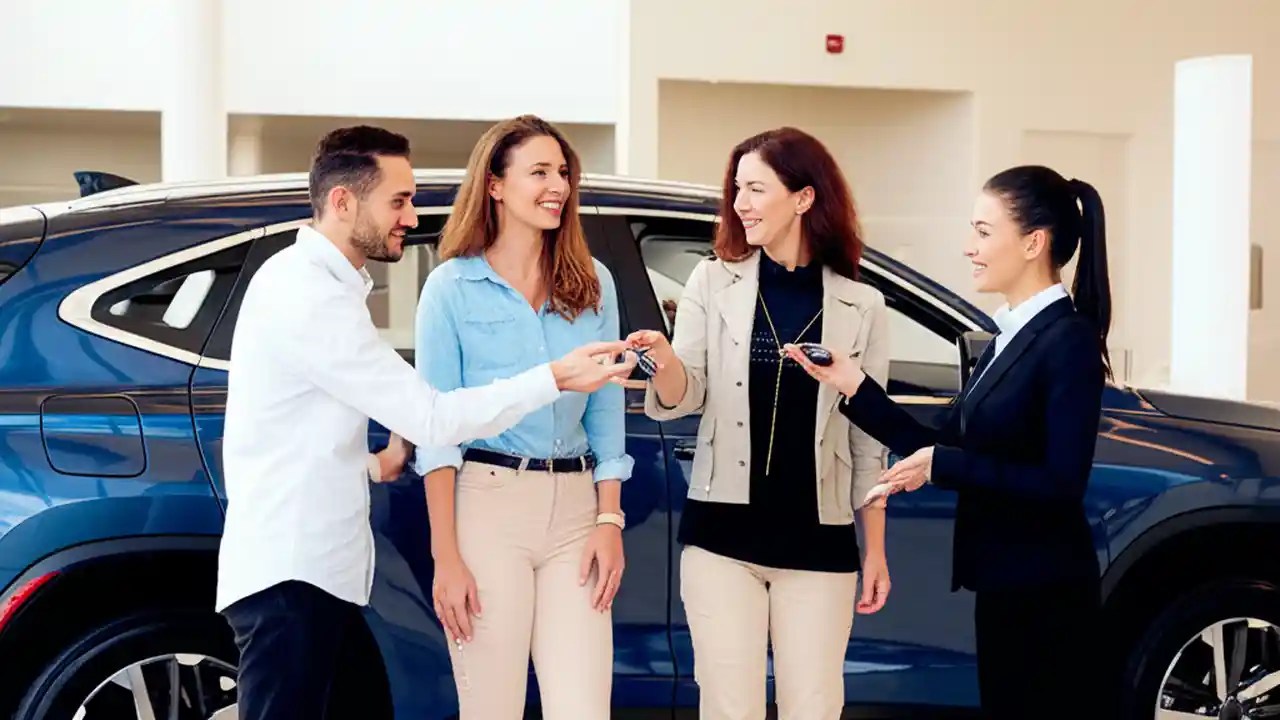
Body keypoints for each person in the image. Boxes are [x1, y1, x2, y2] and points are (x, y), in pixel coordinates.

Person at [215, 125, 635, 720]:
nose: (411, 218)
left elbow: (315, 420)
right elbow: (434, 415)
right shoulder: (308, 296)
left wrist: (381, 459)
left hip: (313, 570)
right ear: (343, 201)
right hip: (292, 572)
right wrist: (555, 376)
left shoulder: (324, 288)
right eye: (399, 201)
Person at [786, 165, 1110, 719]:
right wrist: (853, 384)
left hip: (1046, 595)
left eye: (983, 232)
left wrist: (943, 464)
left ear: (1033, 243)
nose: (969, 248)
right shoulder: (1011, 337)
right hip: (1007, 586)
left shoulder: (1067, 340)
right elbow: (936, 445)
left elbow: (1061, 483)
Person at [628, 127, 892, 720]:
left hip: (819, 542)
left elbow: (867, 440)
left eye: (755, 189)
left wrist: (874, 549)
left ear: (803, 197)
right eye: (737, 189)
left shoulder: (862, 305)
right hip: (721, 540)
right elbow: (687, 393)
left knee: (814, 706)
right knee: (728, 707)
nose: (740, 203)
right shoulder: (711, 282)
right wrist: (664, 362)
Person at [412, 114, 631, 720]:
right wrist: (446, 557)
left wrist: (609, 519)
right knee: (491, 708)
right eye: (539, 172)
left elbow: (607, 408)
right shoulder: (450, 289)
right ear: (495, 185)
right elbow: (436, 432)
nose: (557, 185)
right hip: (488, 509)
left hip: (577, 515)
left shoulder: (594, 283)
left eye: (562, 172)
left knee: (584, 709)